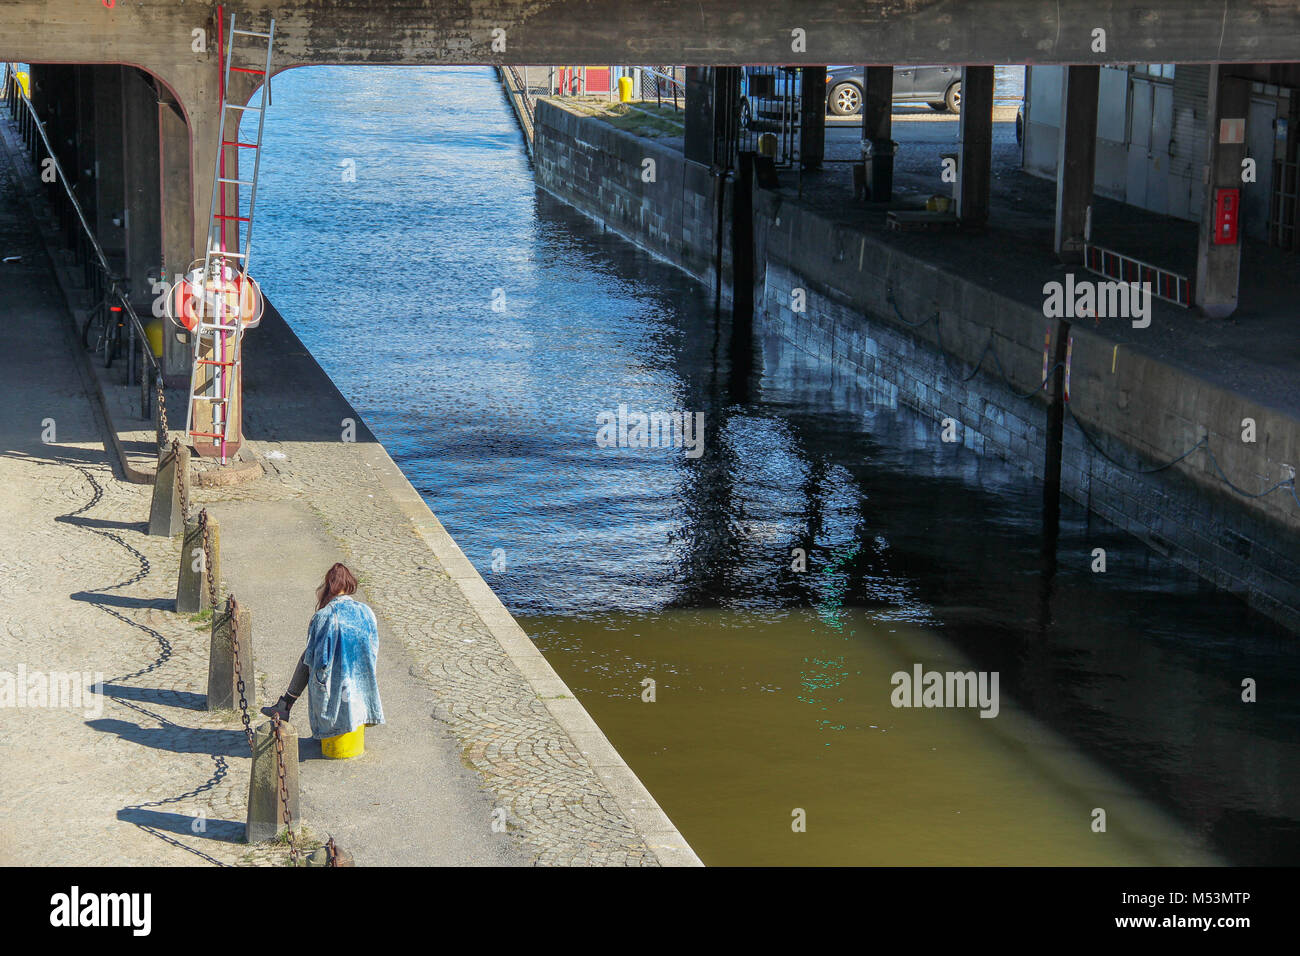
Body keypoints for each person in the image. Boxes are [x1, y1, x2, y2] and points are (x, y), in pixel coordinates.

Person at [261, 563, 385, 739]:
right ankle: (285, 705)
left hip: (336, 696)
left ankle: (286, 705)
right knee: (310, 655)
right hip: (363, 688)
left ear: (328, 586)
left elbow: (317, 662)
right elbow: (373, 650)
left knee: (308, 657)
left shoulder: (324, 616)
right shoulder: (367, 612)